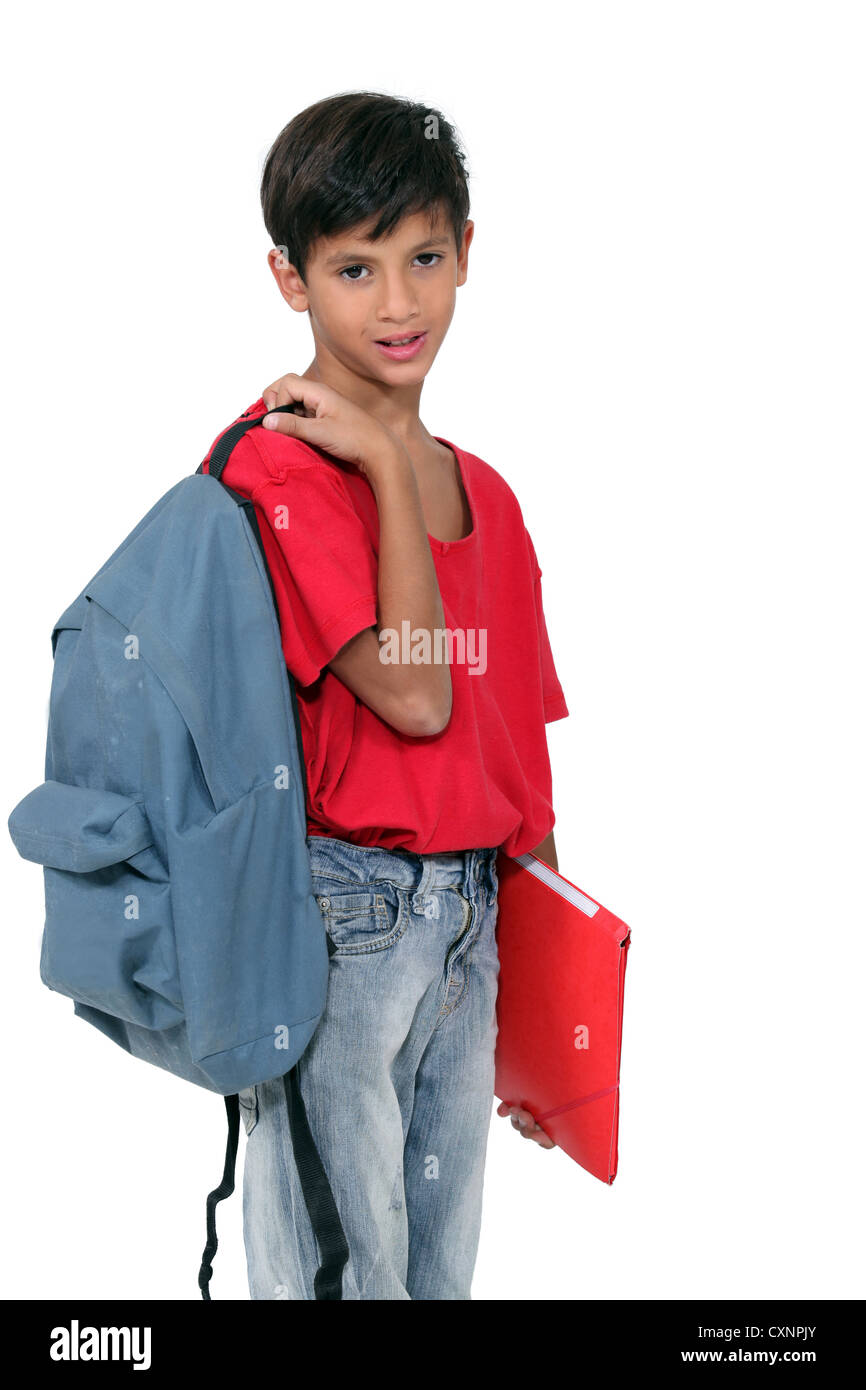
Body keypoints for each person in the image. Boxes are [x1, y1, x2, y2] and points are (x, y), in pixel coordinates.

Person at [202, 91, 568, 1300]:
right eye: (354, 268)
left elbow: (517, 769)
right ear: (289, 279)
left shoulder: (496, 500)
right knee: (335, 1276)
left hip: (471, 919)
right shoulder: (280, 466)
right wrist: (372, 455)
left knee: (434, 1280)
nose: (398, 303)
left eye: (422, 257)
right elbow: (412, 696)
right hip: (341, 918)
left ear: (470, 252)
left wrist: (551, 1002)